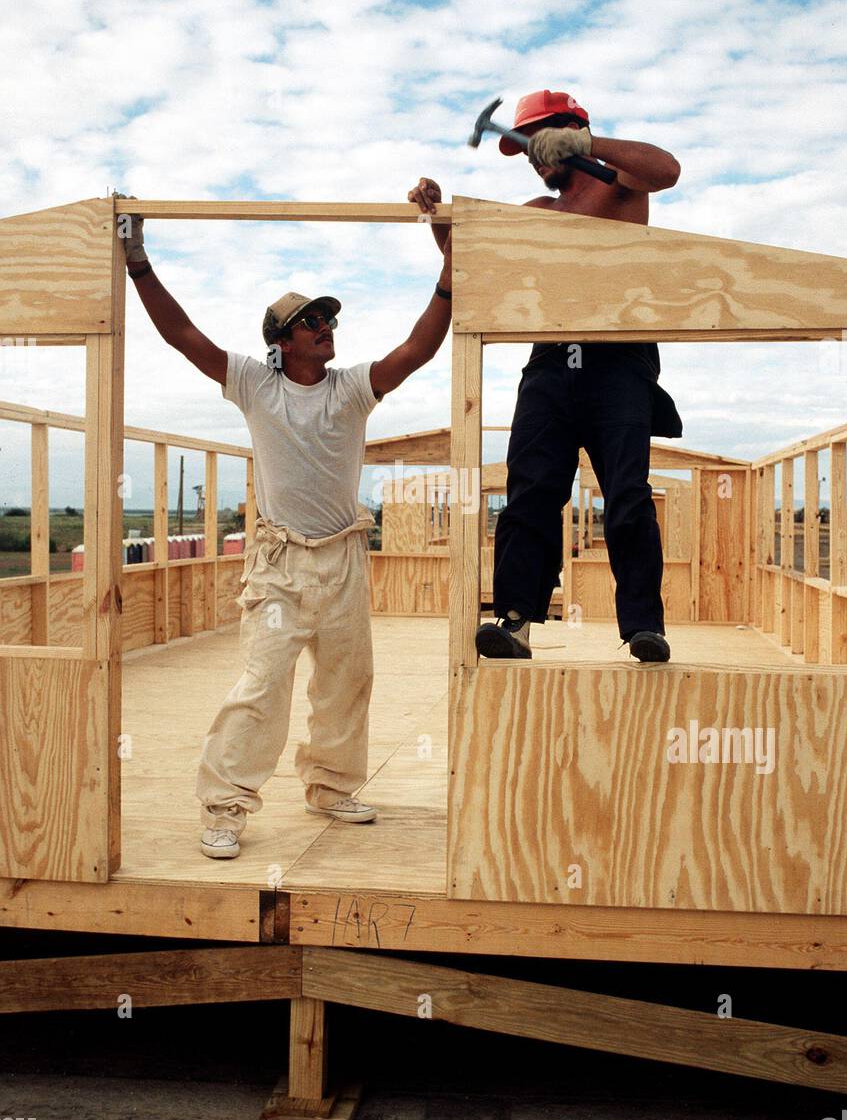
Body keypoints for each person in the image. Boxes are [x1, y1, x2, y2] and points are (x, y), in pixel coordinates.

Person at [114, 194, 453, 858]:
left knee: (348, 680)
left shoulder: (352, 388)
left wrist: (449, 269)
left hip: (343, 559)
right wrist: (137, 261)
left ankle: (330, 786)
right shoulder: (252, 384)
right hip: (278, 564)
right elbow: (185, 337)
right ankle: (225, 806)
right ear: (281, 341)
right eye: (310, 321)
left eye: (327, 317)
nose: (326, 326)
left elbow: (418, 348)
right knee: (262, 685)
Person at [408, 88, 682, 664]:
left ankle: (642, 627)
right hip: (551, 362)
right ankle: (514, 621)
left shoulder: (620, 186)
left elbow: (668, 169)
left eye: (537, 145)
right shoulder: (537, 214)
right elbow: (473, 263)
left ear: (567, 130)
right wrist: (436, 218)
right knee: (531, 491)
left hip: (620, 359)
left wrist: (588, 145)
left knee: (627, 496)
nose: (533, 160)